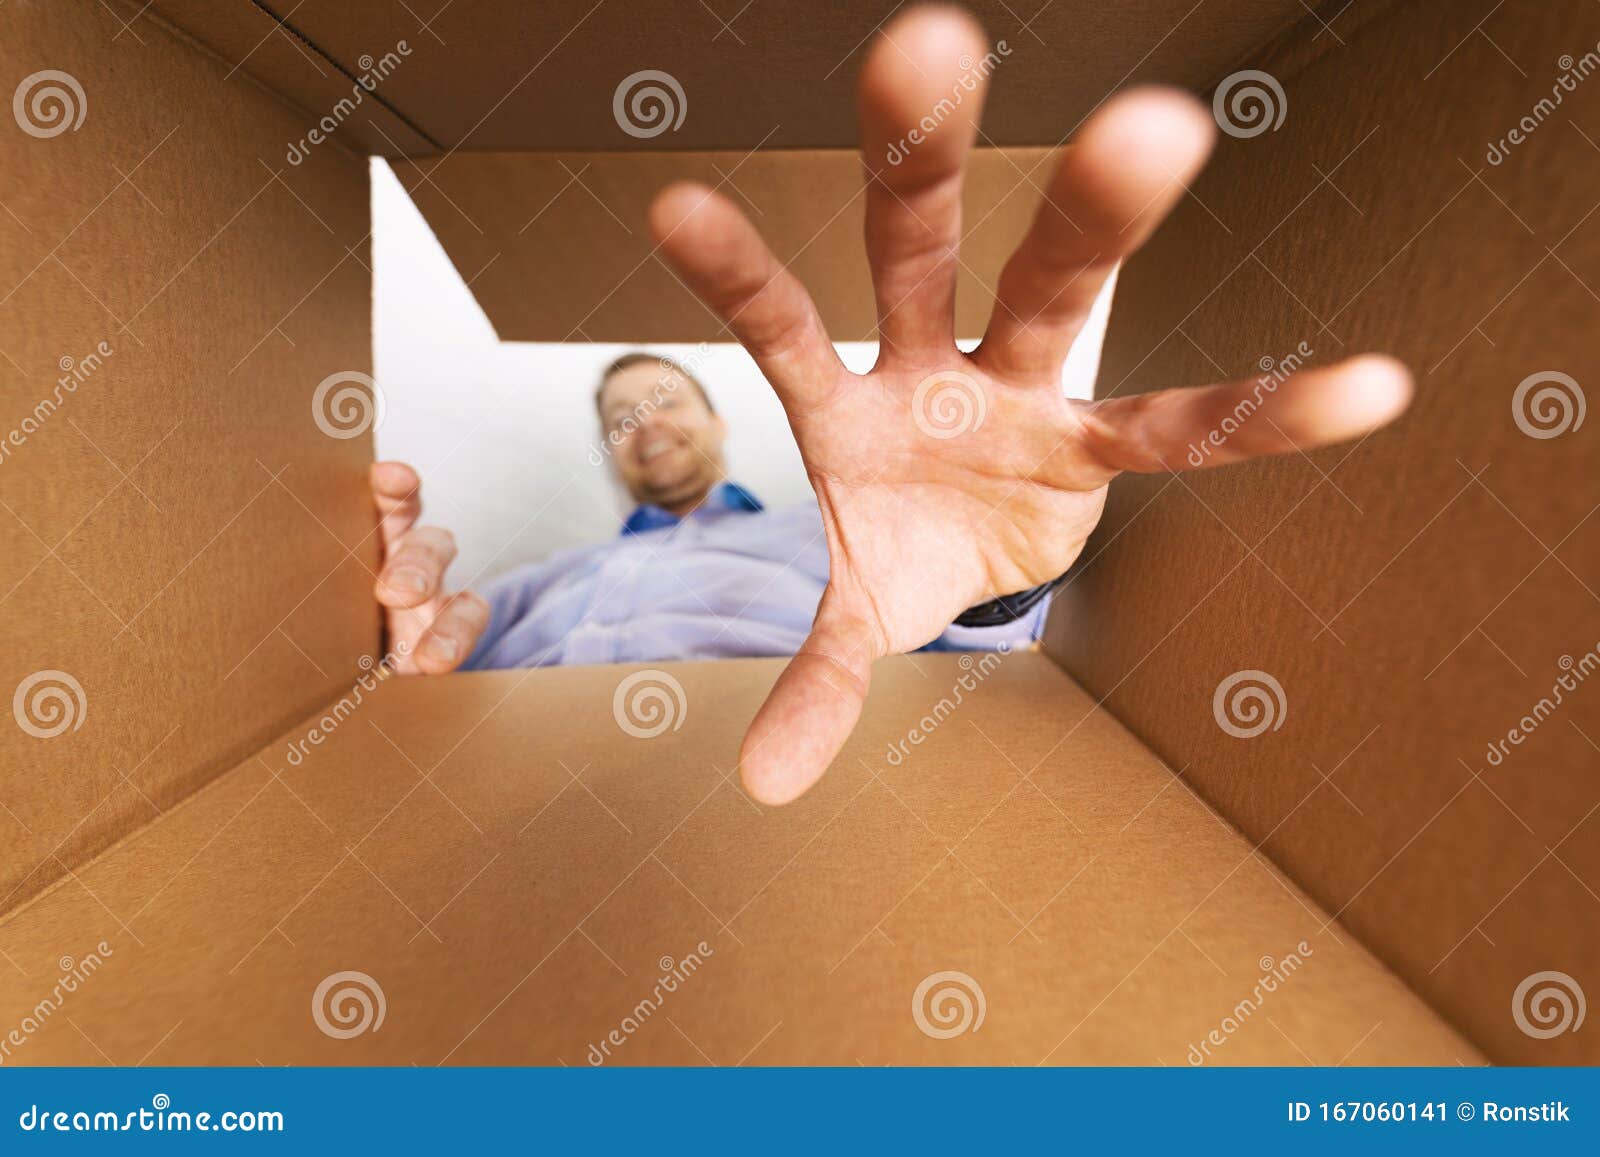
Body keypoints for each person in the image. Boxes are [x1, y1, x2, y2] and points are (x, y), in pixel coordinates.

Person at [368, 4, 1414, 807]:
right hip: (491, 814)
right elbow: (424, 678)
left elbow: (985, 660)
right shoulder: (541, 583)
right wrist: (396, 659)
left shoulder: (844, 554)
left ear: (723, 425)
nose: (649, 423)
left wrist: (996, 598)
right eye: (624, 415)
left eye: (669, 398)